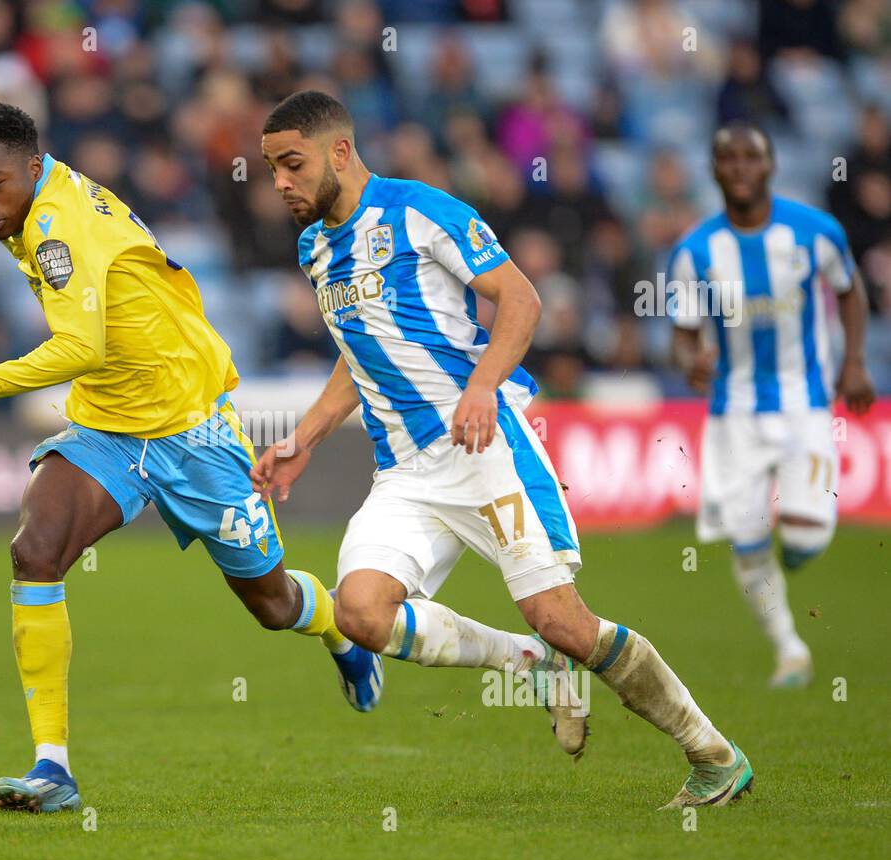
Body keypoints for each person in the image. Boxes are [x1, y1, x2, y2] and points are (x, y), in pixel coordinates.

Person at [255, 91, 752, 808]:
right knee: (360, 613)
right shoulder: (313, 248)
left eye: (291, 165)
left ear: (339, 151)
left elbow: (520, 298)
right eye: (271, 170)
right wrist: (302, 439)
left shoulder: (419, 212)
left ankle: (714, 754)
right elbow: (355, 353)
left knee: (564, 620)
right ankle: (532, 666)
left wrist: (484, 386)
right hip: (404, 471)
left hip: (483, 446)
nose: (279, 184)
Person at [0, 102, 382, 814]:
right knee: (35, 551)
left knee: (274, 604)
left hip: (192, 425)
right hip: (109, 425)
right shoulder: (41, 197)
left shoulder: (55, 226)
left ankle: (341, 629)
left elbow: (79, 348)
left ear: (33, 170)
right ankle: (52, 767)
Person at [668, 120, 876, 688]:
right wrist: (690, 362)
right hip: (733, 414)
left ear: (770, 166)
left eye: (749, 158)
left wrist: (853, 360)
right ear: (713, 170)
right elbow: (683, 332)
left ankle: (791, 566)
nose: (738, 168)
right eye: (726, 158)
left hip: (805, 405)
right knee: (749, 541)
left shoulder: (815, 232)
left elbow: (849, 289)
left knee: (807, 533)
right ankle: (790, 648)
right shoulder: (694, 251)